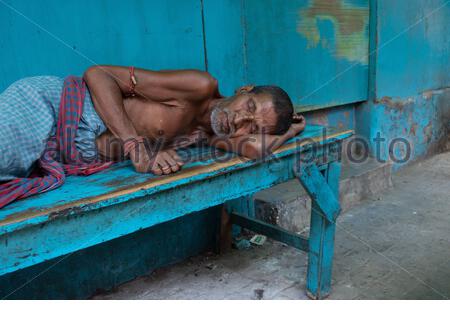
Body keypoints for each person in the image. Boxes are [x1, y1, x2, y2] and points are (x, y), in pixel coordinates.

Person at [0, 65, 306, 180]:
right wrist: (138, 149)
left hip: (57, 152)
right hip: (52, 107)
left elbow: (254, 150)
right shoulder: (198, 87)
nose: (239, 120)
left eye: (251, 126)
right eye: (248, 106)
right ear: (244, 90)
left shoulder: (205, 134)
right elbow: (98, 75)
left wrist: (292, 129)